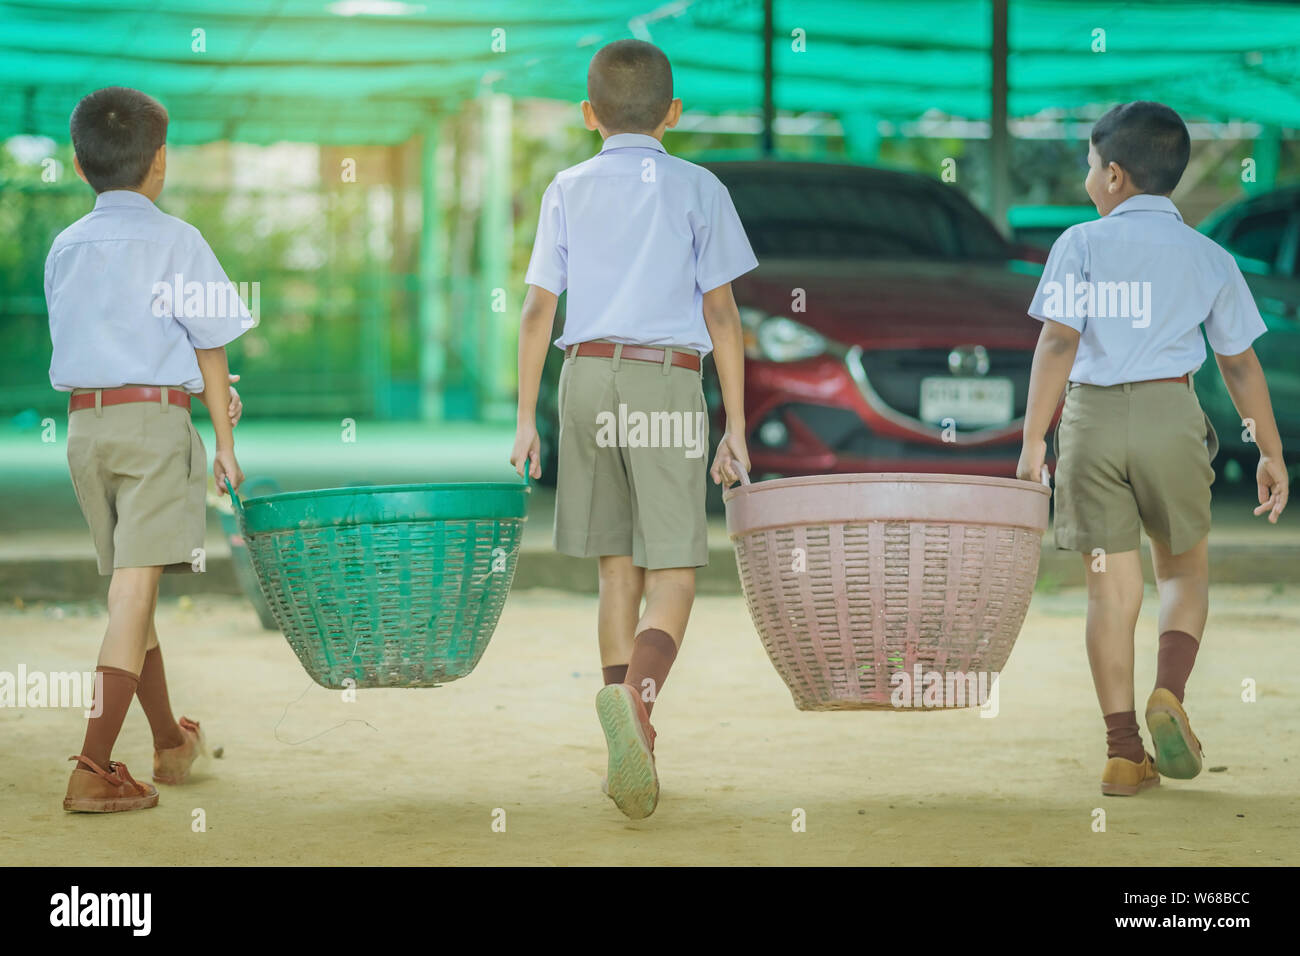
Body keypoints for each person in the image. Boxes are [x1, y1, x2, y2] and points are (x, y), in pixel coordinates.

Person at [510, 39, 757, 819]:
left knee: (616, 569)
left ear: (589, 116)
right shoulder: (699, 185)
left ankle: (628, 727)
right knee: (676, 569)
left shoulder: (565, 186)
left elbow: (535, 311)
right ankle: (639, 708)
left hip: (583, 377)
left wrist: (526, 418)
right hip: (664, 380)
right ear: (673, 113)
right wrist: (737, 428)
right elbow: (721, 313)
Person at [1017, 101, 1289, 796]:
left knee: (1111, 589)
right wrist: (1270, 451)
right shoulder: (1210, 256)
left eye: (1087, 165)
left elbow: (1057, 342)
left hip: (1092, 421)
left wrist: (1031, 444)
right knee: (1183, 573)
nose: (1086, 179)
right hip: (1173, 413)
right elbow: (1239, 365)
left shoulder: (1078, 244)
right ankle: (1169, 693)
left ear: (1113, 174)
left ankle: (1120, 752)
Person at [47, 86, 249, 812]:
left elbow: (101, 340)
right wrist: (224, 443)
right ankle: (92, 769)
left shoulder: (65, 246)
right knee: (134, 591)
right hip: (154, 430)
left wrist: (186, 383)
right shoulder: (178, 240)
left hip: (85, 431)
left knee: (134, 593)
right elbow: (210, 345)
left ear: (79, 164)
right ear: (160, 161)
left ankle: (169, 741)